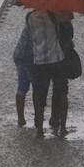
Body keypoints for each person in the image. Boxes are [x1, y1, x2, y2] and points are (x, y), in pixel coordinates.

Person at [24, 9, 74, 137]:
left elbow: (29, 37)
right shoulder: (57, 15)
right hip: (57, 59)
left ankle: (39, 129)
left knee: (39, 94)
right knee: (62, 92)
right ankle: (62, 126)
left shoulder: (30, 17)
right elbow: (69, 33)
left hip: (39, 60)